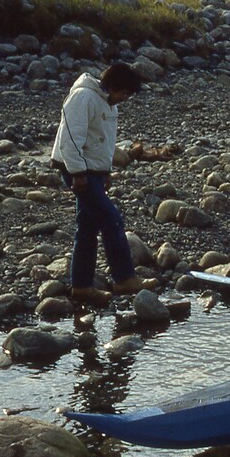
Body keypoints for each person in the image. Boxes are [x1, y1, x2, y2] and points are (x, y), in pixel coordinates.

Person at [51, 63, 158, 305]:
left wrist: (105, 171)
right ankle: (124, 278)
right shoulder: (83, 97)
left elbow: (105, 141)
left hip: (93, 170)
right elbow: (70, 139)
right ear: (113, 86)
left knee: (87, 227)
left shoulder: (109, 103)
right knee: (111, 219)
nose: (125, 98)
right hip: (77, 169)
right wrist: (78, 173)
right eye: (125, 93)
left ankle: (81, 287)